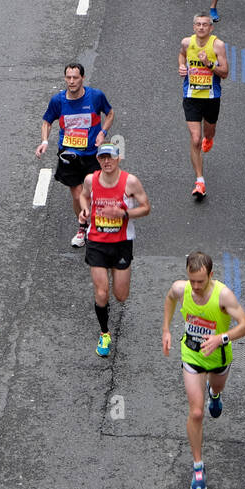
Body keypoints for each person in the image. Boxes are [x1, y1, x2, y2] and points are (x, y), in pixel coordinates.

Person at [162, 250, 245, 489]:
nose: (196, 286)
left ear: (211, 275)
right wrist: (166, 330)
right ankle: (198, 468)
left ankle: (215, 393)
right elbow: (170, 298)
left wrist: (221, 338)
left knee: (217, 388)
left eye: (201, 281)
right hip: (191, 355)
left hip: (219, 357)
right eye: (192, 281)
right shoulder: (182, 289)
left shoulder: (223, 295)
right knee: (197, 411)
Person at [77, 142, 150, 358]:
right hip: (97, 241)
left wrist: (125, 214)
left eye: (110, 157)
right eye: (102, 158)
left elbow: (146, 207)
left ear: (118, 158)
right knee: (101, 292)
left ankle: (115, 280)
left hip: (121, 243)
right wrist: (85, 209)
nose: (107, 161)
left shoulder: (131, 182)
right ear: (98, 160)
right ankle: (104, 333)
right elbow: (83, 195)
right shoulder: (91, 179)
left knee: (120, 295)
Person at [36, 62, 114, 248]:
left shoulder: (95, 96)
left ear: (83, 78)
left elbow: (110, 113)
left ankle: (92, 224)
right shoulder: (58, 101)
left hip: (91, 154)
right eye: (68, 78)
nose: (71, 81)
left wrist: (103, 132)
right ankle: (83, 227)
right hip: (68, 154)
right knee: (78, 194)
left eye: (75, 78)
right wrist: (45, 141)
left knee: (90, 193)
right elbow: (47, 121)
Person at [178, 12, 229, 199]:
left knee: (208, 133)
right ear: (194, 27)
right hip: (191, 96)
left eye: (205, 24)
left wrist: (208, 64)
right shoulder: (186, 43)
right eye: (198, 24)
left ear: (211, 27)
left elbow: (225, 73)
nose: (201, 27)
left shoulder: (218, 45)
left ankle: (210, 138)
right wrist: (181, 67)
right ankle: (200, 181)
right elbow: (181, 55)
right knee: (195, 139)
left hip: (211, 97)